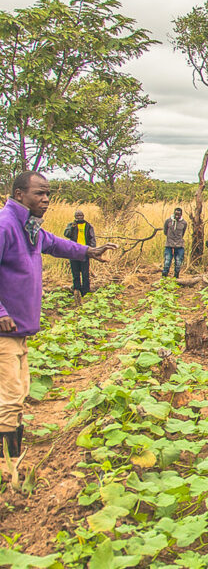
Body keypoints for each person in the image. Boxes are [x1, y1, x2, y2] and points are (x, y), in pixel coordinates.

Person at [1, 172, 115, 482]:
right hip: (3, 332)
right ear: (20, 193)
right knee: (10, 397)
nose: (46, 199)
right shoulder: (4, 225)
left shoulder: (29, 227)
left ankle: (12, 461)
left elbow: (53, 243)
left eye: (48, 193)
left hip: (19, 331)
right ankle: (8, 470)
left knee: (18, 392)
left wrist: (89, 251)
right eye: (40, 193)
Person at [64, 210, 96, 296]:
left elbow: (92, 238)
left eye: (80, 215)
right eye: (77, 216)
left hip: (85, 251)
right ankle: (77, 290)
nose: (79, 217)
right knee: (75, 272)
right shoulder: (71, 225)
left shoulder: (88, 226)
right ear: (75, 217)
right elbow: (66, 234)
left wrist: (93, 250)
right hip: (74, 251)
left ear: (83, 216)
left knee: (85, 273)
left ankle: (86, 291)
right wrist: (72, 228)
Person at [162, 207, 187, 278]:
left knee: (178, 263)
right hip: (169, 244)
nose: (177, 216)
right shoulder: (168, 221)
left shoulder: (184, 223)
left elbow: (183, 233)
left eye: (178, 215)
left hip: (179, 245)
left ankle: (176, 277)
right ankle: (164, 278)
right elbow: (165, 231)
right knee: (167, 262)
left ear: (181, 215)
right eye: (176, 214)